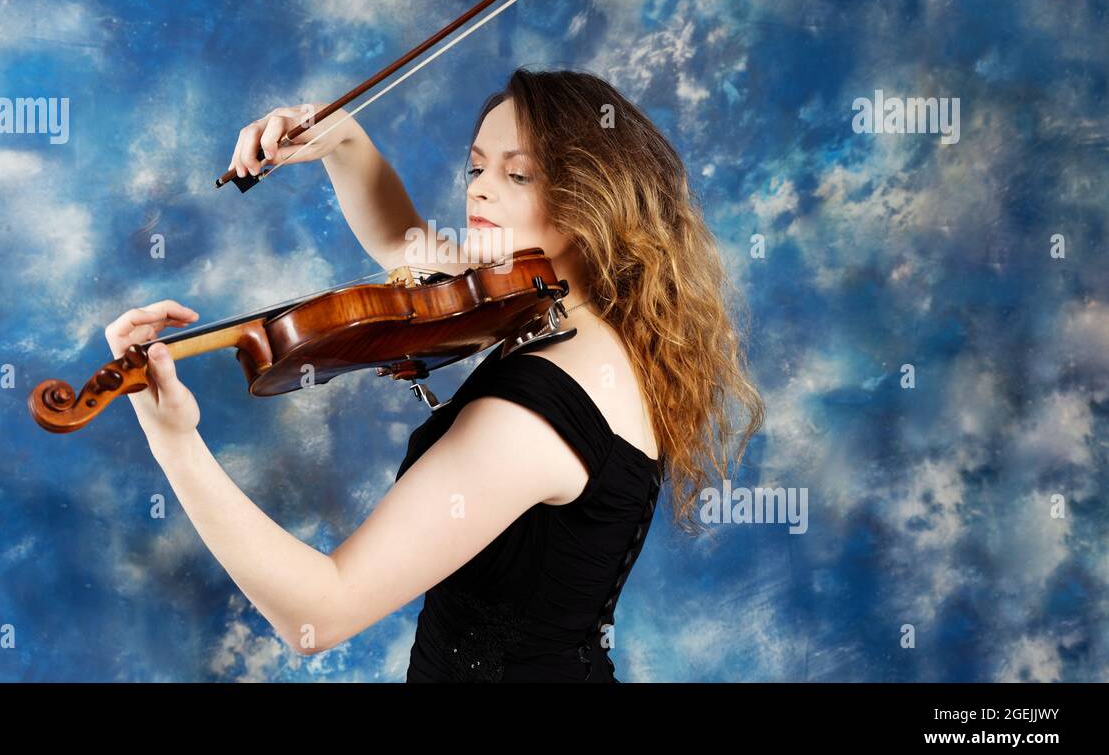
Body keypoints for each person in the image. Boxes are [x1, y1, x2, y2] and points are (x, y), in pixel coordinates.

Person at [104, 67, 764, 681]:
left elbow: (318, 615)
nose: (478, 188)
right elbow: (405, 244)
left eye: (519, 176)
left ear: (591, 198)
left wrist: (175, 442)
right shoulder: (584, 321)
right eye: (476, 167)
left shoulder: (534, 413)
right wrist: (340, 137)